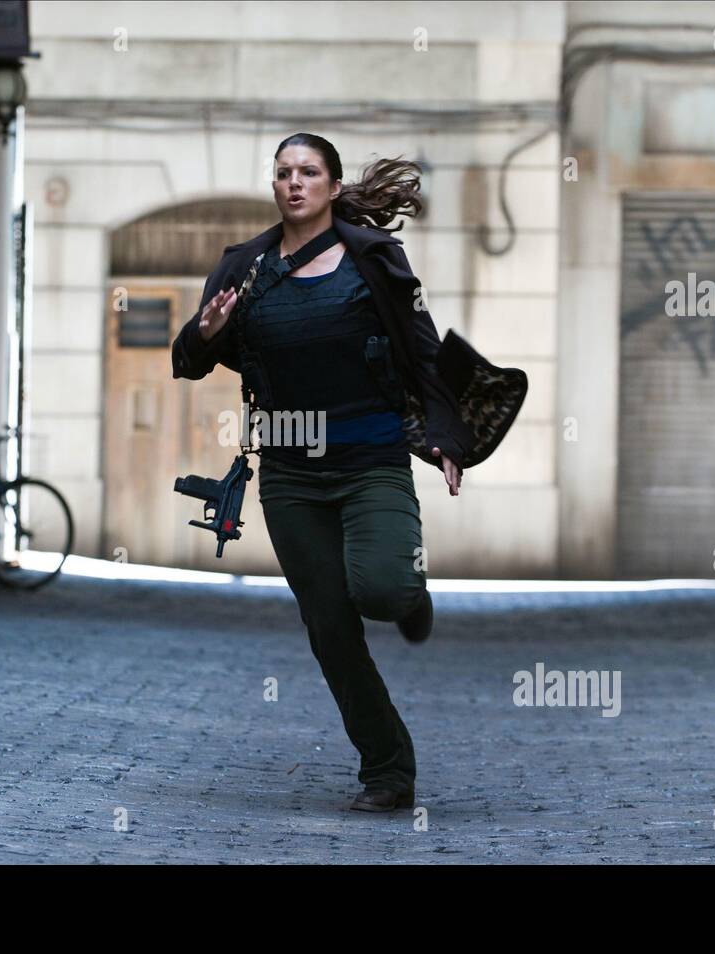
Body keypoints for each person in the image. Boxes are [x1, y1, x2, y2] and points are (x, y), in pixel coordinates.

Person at [171, 133, 473, 813]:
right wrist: (206, 333)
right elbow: (187, 358)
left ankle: (409, 597)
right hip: (290, 475)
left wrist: (448, 435)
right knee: (330, 628)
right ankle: (387, 768)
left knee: (382, 591)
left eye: (309, 172)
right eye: (283, 173)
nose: (294, 183)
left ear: (333, 187)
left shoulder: (373, 259)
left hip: (371, 460)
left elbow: (422, 352)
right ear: (274, 186)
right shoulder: (243, 268)